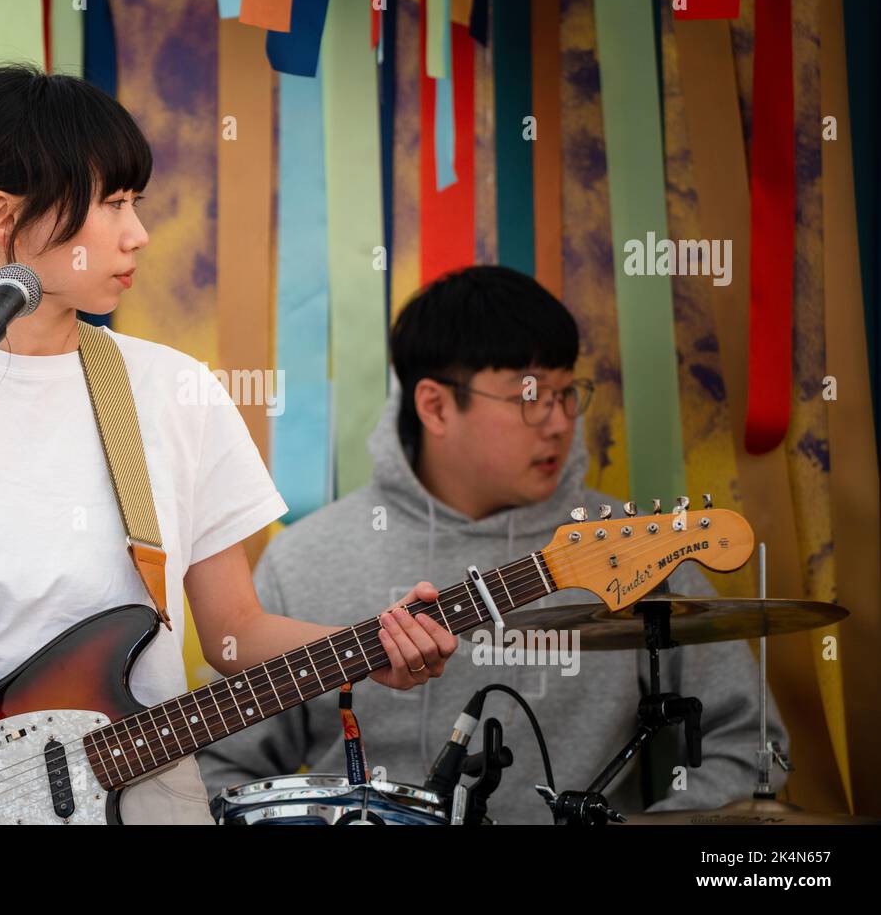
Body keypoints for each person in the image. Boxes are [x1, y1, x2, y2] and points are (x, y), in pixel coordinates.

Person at [0, 65, 457, 825]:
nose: (139, 233)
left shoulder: (174, 392)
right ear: (3, 216)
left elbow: (233, 632)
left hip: (143, 795)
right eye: (114, 203)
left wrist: (368, 651)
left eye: (136, 202)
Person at [198, 266, 789, 823]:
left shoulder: (636, 551)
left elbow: (753, 745)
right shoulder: (307, 559)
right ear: (434, 405)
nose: (559, 422)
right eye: (531, 396)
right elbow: (222, 766)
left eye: (567, 393)